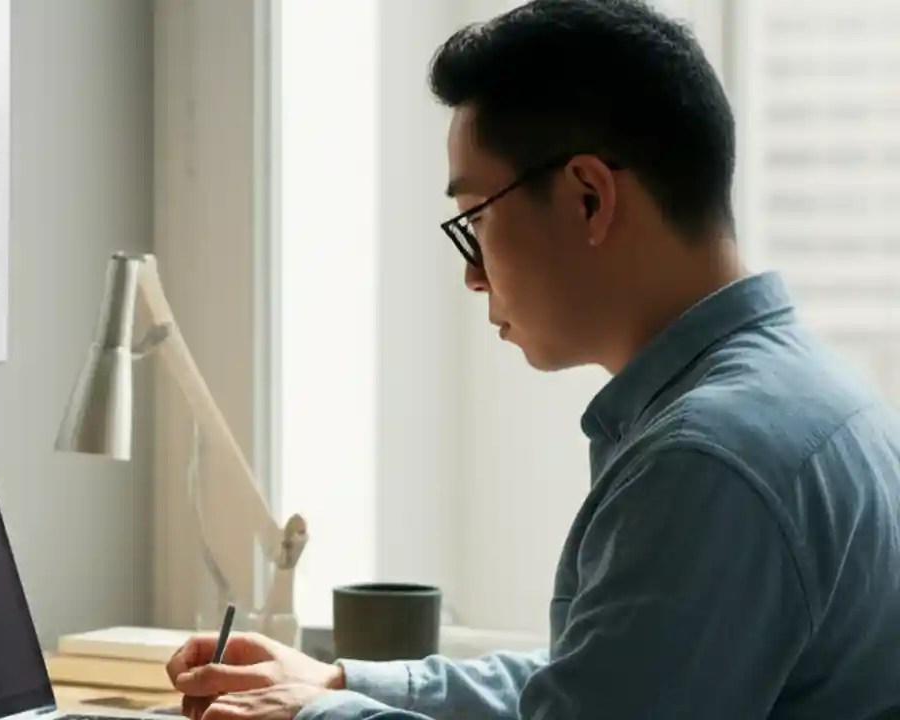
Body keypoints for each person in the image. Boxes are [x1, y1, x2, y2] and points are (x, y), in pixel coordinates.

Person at [163, 0, 900, 718]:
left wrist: (312, 718)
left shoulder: (709, 461)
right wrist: (338, 683)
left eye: (477, 217)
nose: (472, 273)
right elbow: (602, 680)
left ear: (587, 198)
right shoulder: (810, 394)